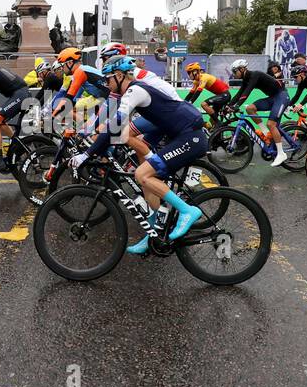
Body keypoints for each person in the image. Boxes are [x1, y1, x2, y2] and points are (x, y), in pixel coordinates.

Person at [72, 55, 207, 254]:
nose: (107, 84)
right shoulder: (130, 91)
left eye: (108, 79)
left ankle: (188, 210)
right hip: (177, 133)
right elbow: (114, 126)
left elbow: (114, 126)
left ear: (119, 75)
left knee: (142, 174)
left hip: (190, 137)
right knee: (146, 183)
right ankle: (153, 233)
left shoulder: (135, 90)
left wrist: (87, 155)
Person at [229, 58, 293, 167]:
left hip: (282, 96)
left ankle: (281, 154)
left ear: (242, 69)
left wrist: (237, 106)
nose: (234, 74)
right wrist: (229, 106)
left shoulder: (255, 75)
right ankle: (264, 134)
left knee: (271, 124)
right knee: (250, 108)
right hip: (273, 97)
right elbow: (240, 93)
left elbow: (246, 93)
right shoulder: (246, 78)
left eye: (235, 71)